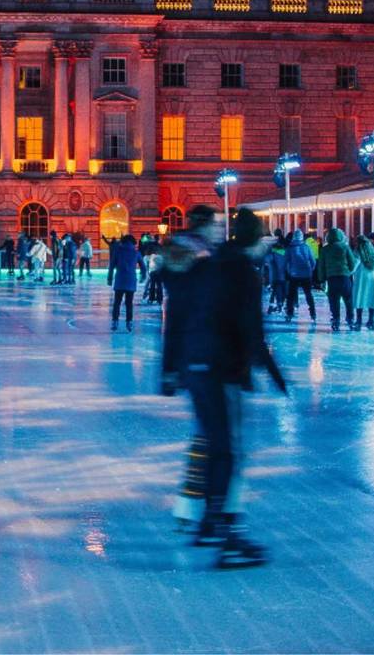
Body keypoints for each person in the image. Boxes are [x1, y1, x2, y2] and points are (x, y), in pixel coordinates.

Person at [187, 208, 287, 566]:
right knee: (228, 451)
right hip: (221, 369)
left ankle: (209, 523)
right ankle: (228, 536)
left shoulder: (213, 262)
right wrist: (274, 373)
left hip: (198, 365)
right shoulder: (243, 270)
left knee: (216, 447)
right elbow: (251, 328)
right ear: (255, 239)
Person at [160, 205, 223, 528]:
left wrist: (169, 368)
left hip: (190, 355)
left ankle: (193, 502)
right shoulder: (205, 262)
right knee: (214, 435)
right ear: (205, 225)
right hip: (209, 355)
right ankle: (204, 505)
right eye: (215, 224)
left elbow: (174, 321)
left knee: (206, 431)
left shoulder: (179, 261)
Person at [318, 228, 357, 332]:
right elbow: (352, 263)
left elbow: (321, 266)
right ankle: (350, 319)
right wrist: (348, 271)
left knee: (334, 300)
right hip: (345, 277)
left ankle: (336, 320)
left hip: (332, 278)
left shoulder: (325, 249)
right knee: (348, 299)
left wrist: (322, 279)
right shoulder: (345, 247)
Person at [109, 234, 146, 332]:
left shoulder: (118, 252)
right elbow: (143, 266)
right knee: (129, 303)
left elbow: (111, 266)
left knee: (117, 302)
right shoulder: (136, 253)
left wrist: (109, 278)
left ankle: (115, 321)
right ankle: (129, 322)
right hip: (131, 280)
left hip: (120, 280)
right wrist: (143, 276)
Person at [351, 234, 374, 330]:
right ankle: (371, 321)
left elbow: (355, 264)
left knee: (360, 297)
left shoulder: (358, 251)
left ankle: (359, 321)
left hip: (362, 277)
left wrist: (349, 272)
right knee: (372, 298)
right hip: (373, 278)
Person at [283, 229, 316, 322]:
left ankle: (290, 313)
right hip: (306, 274)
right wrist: (310, 270)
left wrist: (288, 271)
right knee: (308, 294)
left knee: (291, 295)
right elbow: (313, 261)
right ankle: (313, 313)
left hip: (294, 274)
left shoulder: (290, 248)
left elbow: (285, 262)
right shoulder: (307, 247)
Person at [264, 233, 288, 314]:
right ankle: (280, 305)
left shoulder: (272, 254)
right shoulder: (286, 253)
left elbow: (266, 260)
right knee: (282, 291)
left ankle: (274, 306)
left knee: (275, 291)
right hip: (284, 276)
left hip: (275, 276)